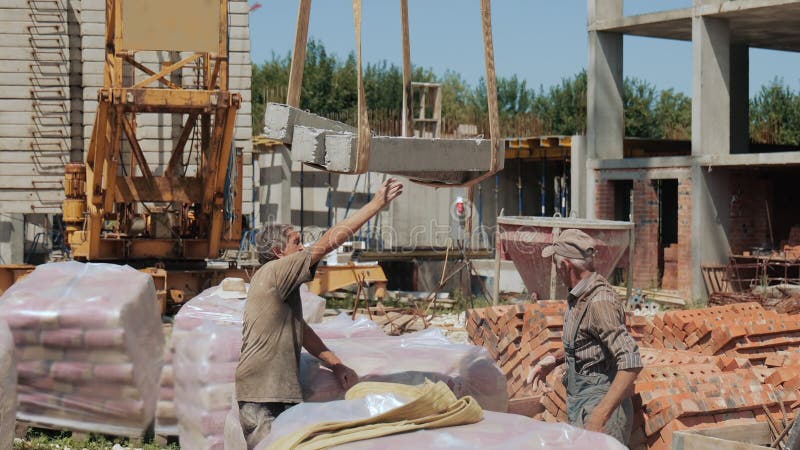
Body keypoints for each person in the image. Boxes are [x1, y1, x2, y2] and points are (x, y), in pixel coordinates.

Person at [235, 178, 404, 448]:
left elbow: (301, 331)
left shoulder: (278, 285)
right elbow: (327, 243)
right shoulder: (275, 271)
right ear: (278, 252)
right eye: (296, 243)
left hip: (275, 392)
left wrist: (336, 364)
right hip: (262, 396)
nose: (303, 248)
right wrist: (375, 204)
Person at [526, 229, 642, 445]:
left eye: (556, 265)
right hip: (584, 405)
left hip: (601, 410)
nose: (557, 271)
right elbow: (588, 344)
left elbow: (631, 360)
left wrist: (600, 415)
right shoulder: (580, 296)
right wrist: (552, 360)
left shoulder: (600, 302)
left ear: (565, 265)